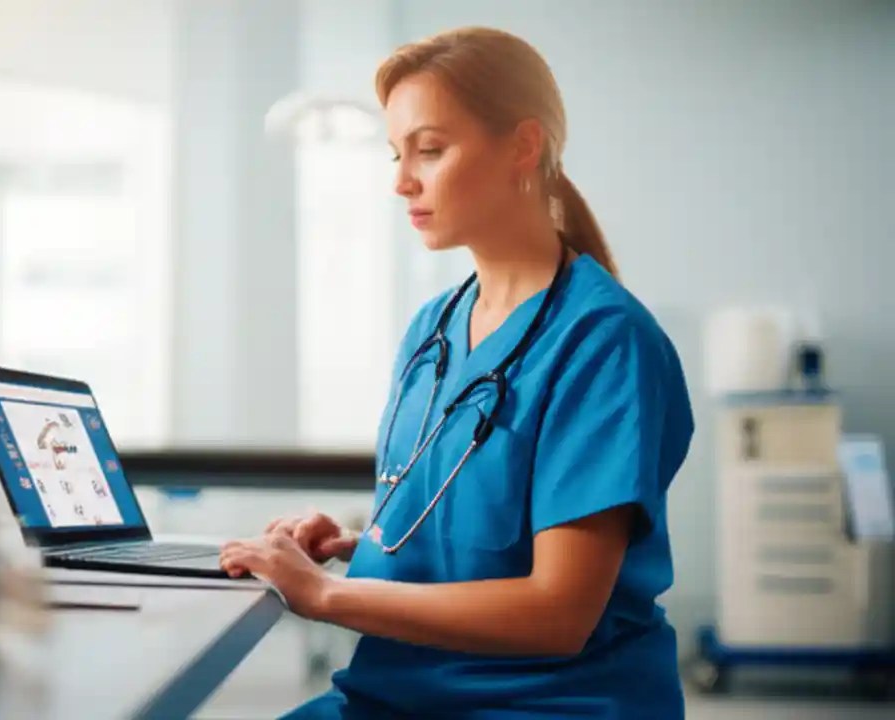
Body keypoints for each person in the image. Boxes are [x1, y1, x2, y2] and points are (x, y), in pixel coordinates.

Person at [219, 26, 694, 719]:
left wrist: (325, 595)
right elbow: (466, 533)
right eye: (397, 154)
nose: (402, 181)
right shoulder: (432, 330)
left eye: (431, 150)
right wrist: (363, 549)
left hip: (542, 706)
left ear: (523, 146)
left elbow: (558, 612)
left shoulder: (603, 341)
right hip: (397, 693)